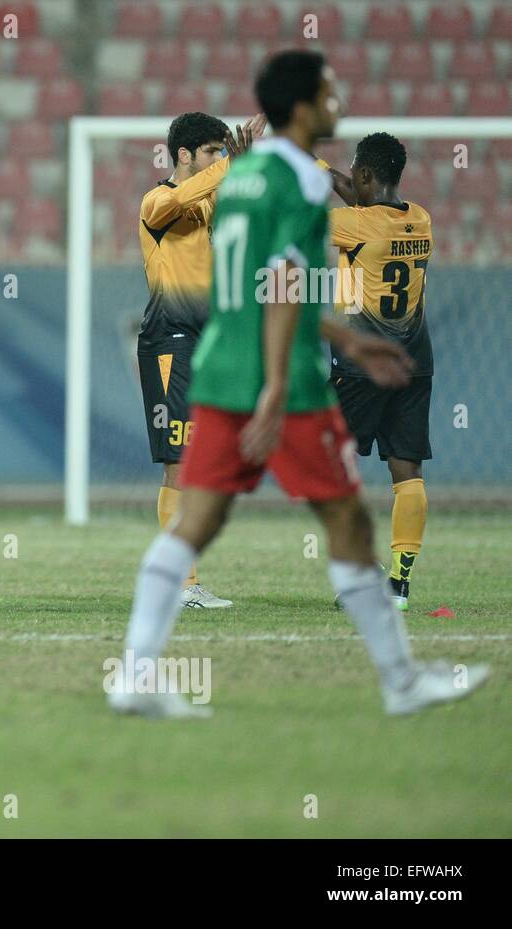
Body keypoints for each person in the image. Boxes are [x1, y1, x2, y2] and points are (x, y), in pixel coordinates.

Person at [109, 50, 488, 718]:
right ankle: (401, 680)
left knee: (194, 519)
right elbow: (285, 287)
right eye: (329, 93)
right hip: (274, 370)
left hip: (223, 360)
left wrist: (347, 338)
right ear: (303, 107)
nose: (337, 102)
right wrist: (286, 381)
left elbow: (257, 278)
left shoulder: (248, 176)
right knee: (345, 518)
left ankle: (135, 671)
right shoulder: (301, 184)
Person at [135, 110, 265, 609]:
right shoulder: (157, 200)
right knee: (178, 461)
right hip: (170, 340)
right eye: (213, 151)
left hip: (208, 341)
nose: (220, 160)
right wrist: (230, 166)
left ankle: (179, 578)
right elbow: (178, 201)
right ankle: (181, 584)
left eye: (222, 151)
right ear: (185, 155)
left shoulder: (212, 203)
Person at [320, 134, 432, 611]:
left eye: (354, 174)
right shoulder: (421, 218)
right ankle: (398, 585)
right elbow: (355, 194)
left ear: (366, 175)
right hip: (414, 362)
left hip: (361, 366)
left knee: (325, 466)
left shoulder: (350, 225)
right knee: (406, 471)